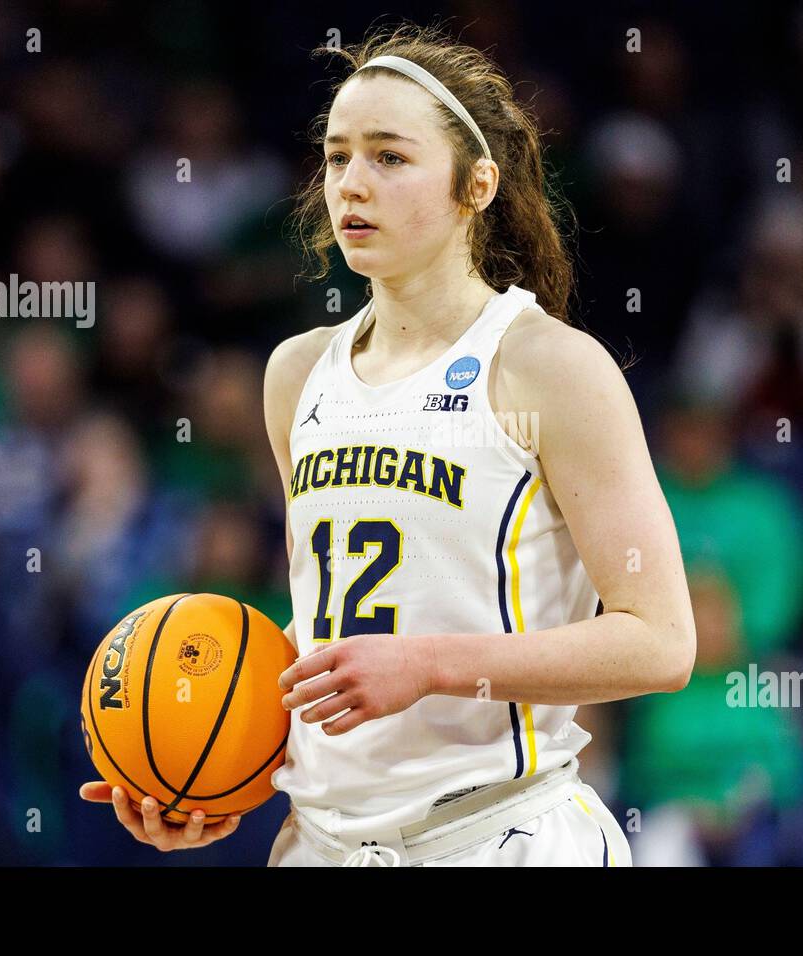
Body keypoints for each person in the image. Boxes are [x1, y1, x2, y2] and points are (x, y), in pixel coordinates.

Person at [80, 23, 695, 866]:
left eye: (388, 157)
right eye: (336, 157)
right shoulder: (298, 374)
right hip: (322, 844)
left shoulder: (547, 366)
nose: (351, 184)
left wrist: (432, 664)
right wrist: (215, 773)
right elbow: (328, 630)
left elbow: (660, 642)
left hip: (499, 833)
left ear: (476, 184)